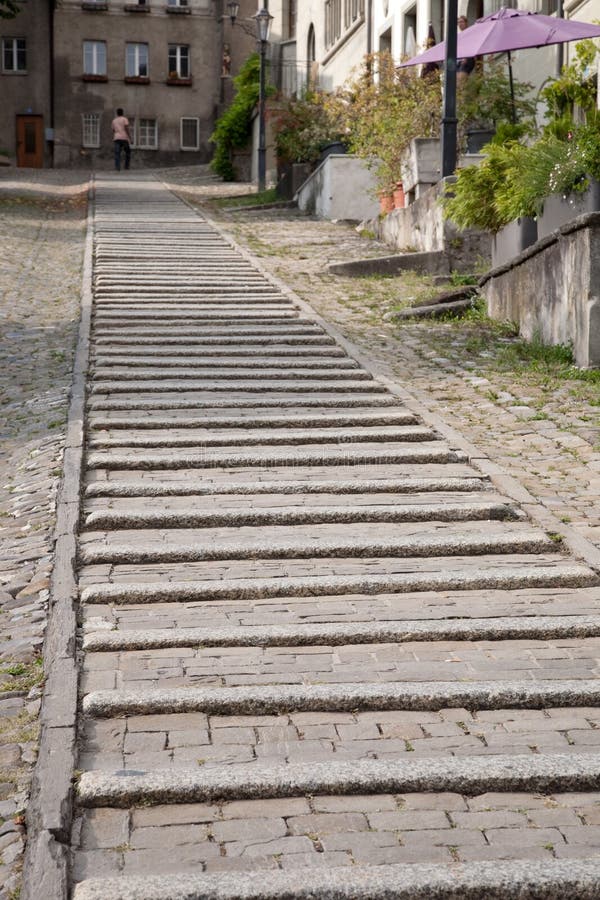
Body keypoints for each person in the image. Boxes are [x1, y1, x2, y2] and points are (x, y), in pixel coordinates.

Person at [456, 15, 475, 82]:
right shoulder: (459, 35)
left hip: (467, 59)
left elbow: (472, 46)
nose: (460, 24)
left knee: (461, 82)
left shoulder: (470, 33)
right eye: (458, 22)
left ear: (466, 23)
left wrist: (466, 57)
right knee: (456, 83)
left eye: (461, 22)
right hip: (459, 60)